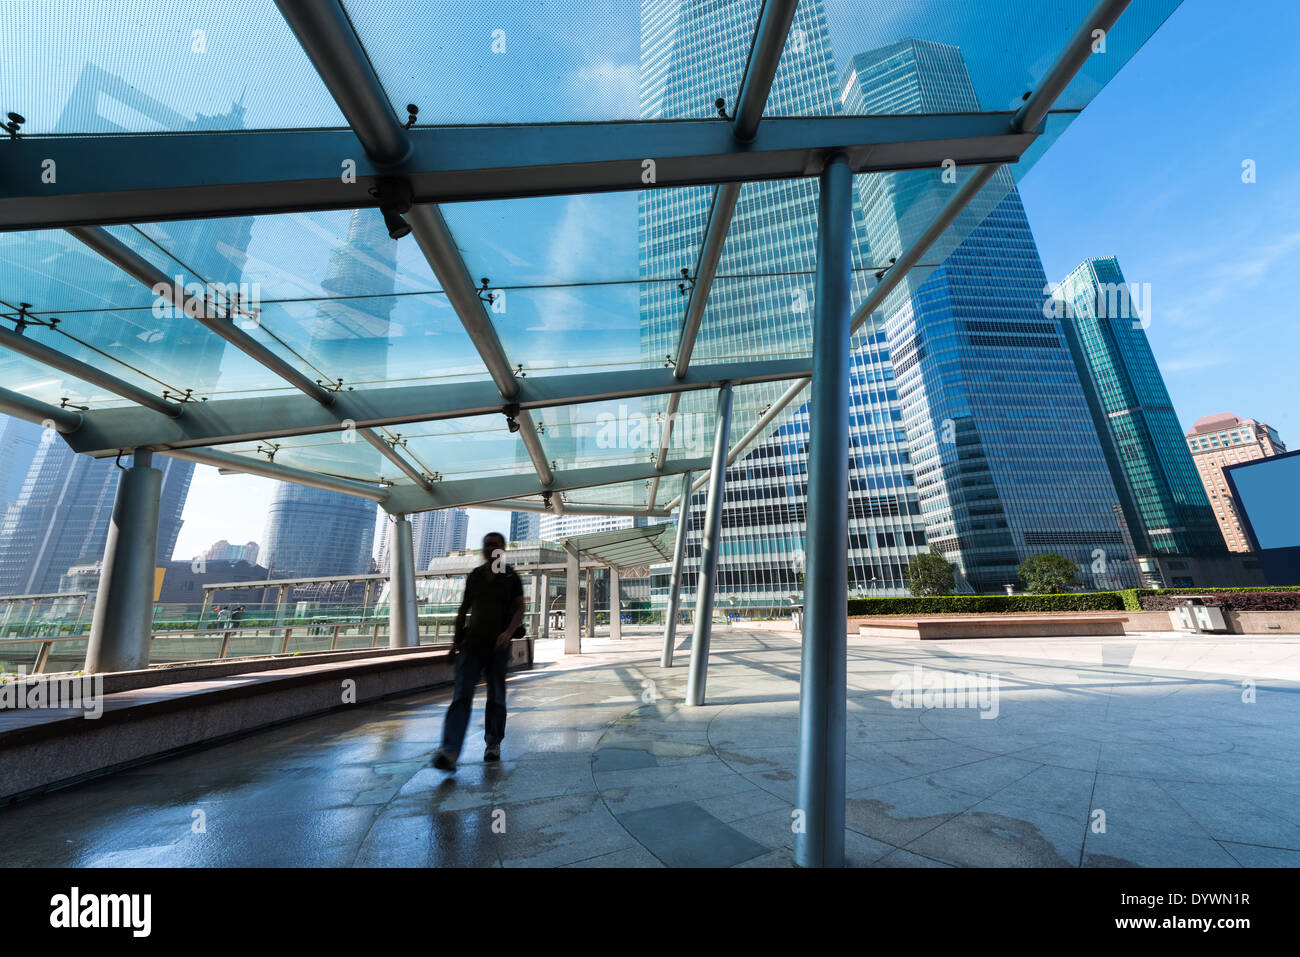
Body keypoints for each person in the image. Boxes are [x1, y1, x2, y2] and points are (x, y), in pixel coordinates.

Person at [432, 532, 524, 771]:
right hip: (471, 645)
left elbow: (519, 610)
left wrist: (508, 632)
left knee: (496, 696)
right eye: (487, 544)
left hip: (498, 647)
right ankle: (450, 751)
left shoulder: (511, 577)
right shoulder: (474, 576)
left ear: (503, 549)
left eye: (495, 544)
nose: (490, 547)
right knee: (461, 696)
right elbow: (463, 611)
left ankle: (493, 743)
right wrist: (454, 644)